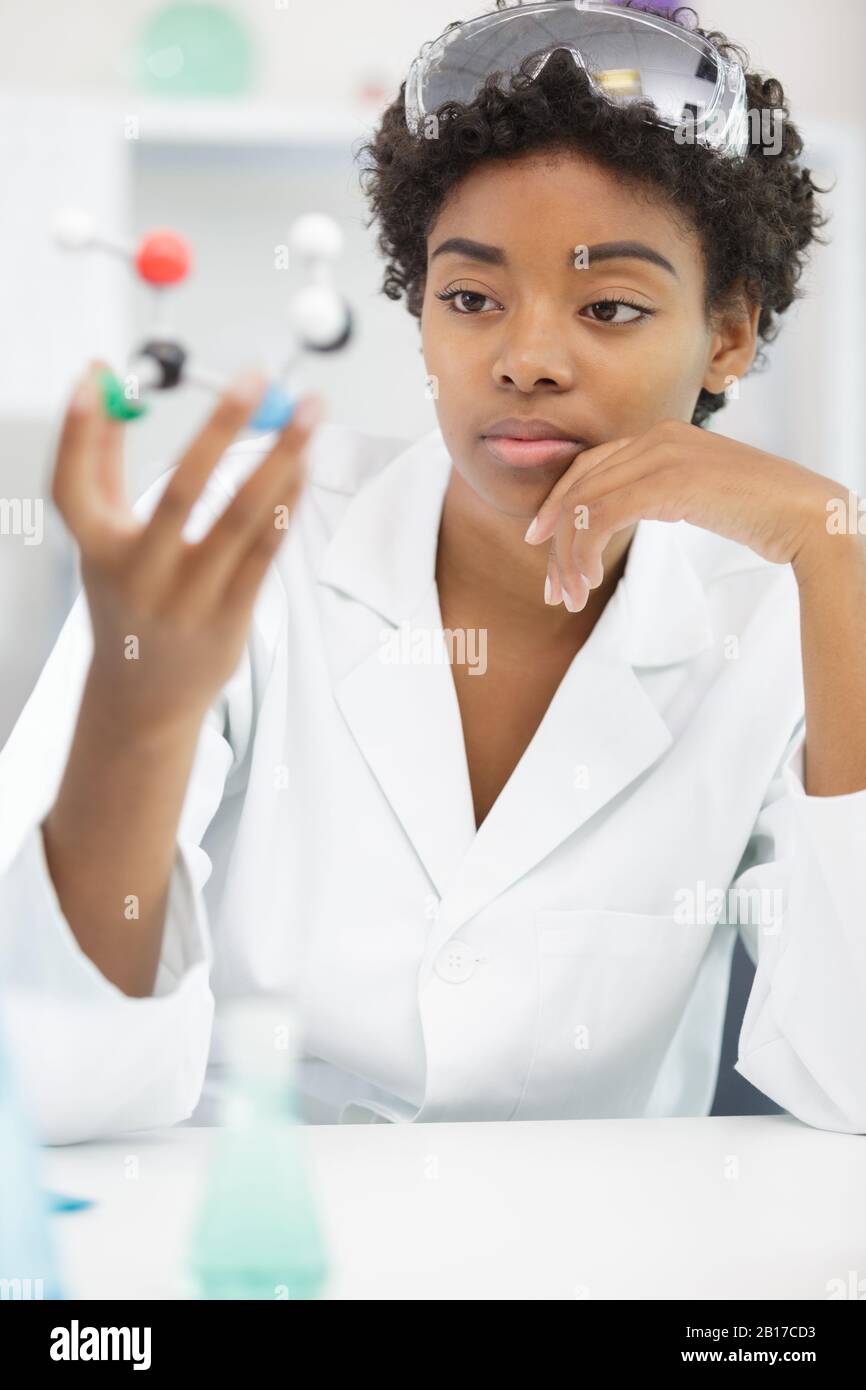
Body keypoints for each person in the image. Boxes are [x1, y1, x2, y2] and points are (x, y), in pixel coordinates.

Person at [1, 2, 865, 1143]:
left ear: (725, 337)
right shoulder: (250, 527)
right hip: (246, 1243)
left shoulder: (772, 614)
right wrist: (137, 725)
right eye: (469, 298)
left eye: (608, 306)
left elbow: (850, 1075)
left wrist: (835, 547)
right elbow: (48, 1086)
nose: (525, 359)